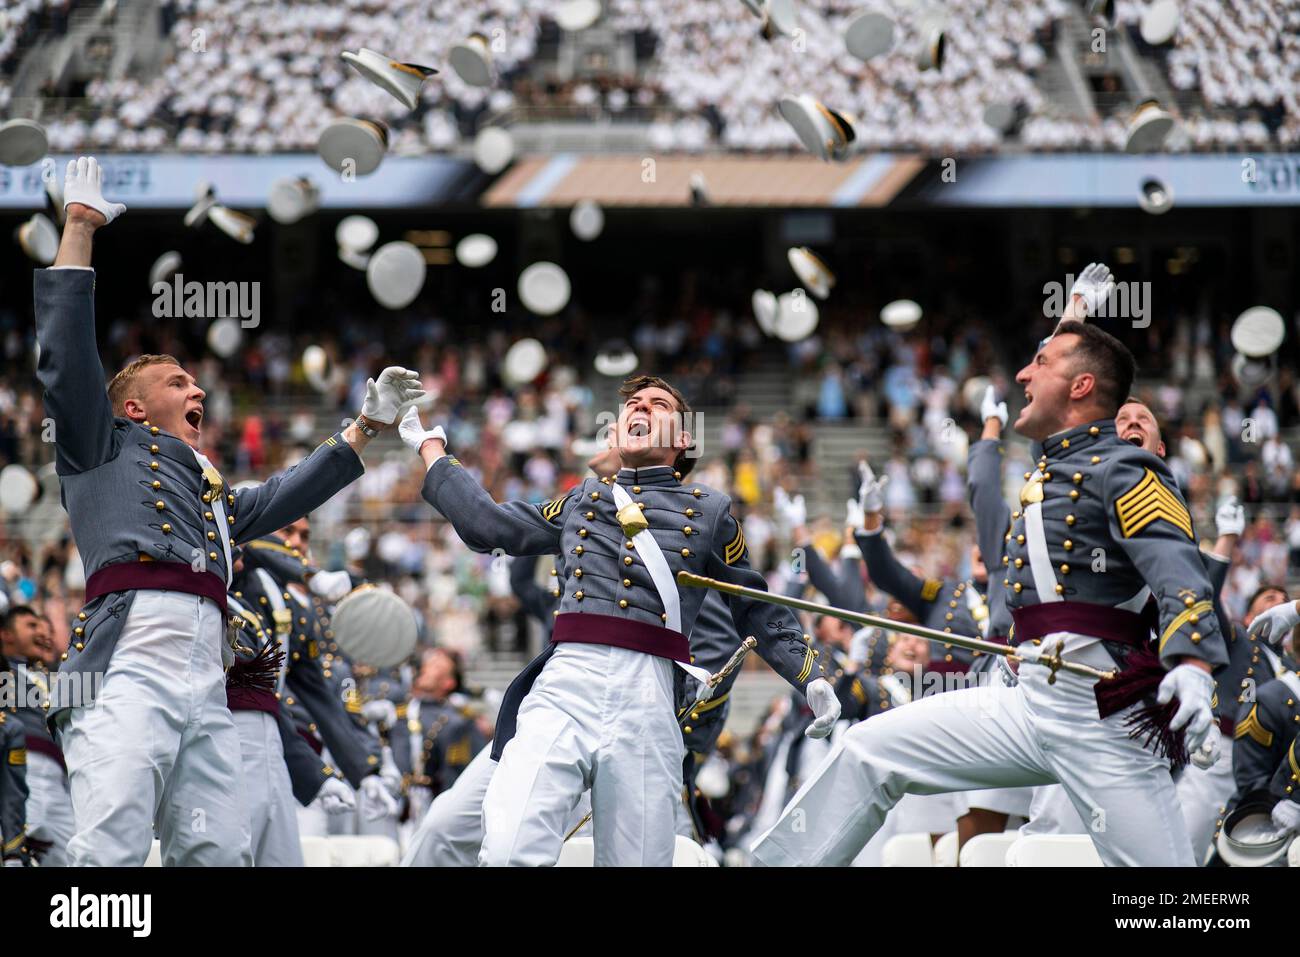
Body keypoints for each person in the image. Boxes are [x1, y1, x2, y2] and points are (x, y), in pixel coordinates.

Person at [35, 156, 423, 866]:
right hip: (127, 666)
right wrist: (80, 230)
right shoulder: (101, 447)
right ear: (131, 407)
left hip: (207, 682)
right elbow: (63, 356)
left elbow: (285, 495)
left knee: (215, 850)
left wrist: (366, 428)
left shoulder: (208, 488)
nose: (198, 389)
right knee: (110, 847)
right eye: (176, 380)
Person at [752, 321, 1227, 867]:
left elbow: (1177, 568)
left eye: (1040, 365)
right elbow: (1016, 455)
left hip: (1101, 715)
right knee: (865, 752)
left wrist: (1192, 662)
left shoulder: (1127, 470)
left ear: (1079, 387)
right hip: (1026, 703)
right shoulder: (1059, 464)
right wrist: (1070, 317)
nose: (1024, 372)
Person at [402, 374, 839, 865]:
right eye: (632, 403)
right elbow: (491, 528)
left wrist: (810, 677)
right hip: (566, 682)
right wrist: (431, 449)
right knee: (507, 850)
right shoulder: (582, 500)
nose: (639, 408)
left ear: (683, 440)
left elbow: (755, 608)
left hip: (648, 697)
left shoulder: (711, 512)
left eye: (657, 404)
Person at [1, 606, 73, 865]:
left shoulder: (54, 677)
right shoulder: (4, 673)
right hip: (19, 768)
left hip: (62, 781)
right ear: (6, 634)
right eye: (31, 626)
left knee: (71, 856)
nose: (42, 632)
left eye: (46, 630)